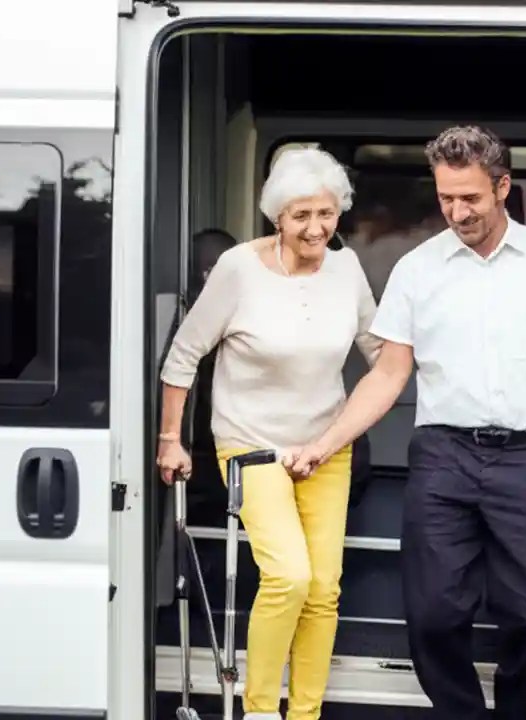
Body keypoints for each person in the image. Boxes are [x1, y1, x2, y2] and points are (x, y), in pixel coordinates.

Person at [286, 126, 526, 720]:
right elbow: (389, 374)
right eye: (446, 199)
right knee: (433, 617)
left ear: (503, 188)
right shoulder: (417, 270)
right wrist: (324, 443)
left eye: (470, 198)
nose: (457, 212)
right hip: (444, 456)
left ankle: (515, 703)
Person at [155, 144, 381, 720]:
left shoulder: (347, 269)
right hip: (251, 444)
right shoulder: (239, 269)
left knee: (323, 589)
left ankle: (304, 714)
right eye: (301, 215)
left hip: (326, 446)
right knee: (288, 576)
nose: (316, 228)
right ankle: (258, 711)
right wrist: (171, 439)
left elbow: (382, 354)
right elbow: (184, 354)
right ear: (277, 216)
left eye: (326, 213)